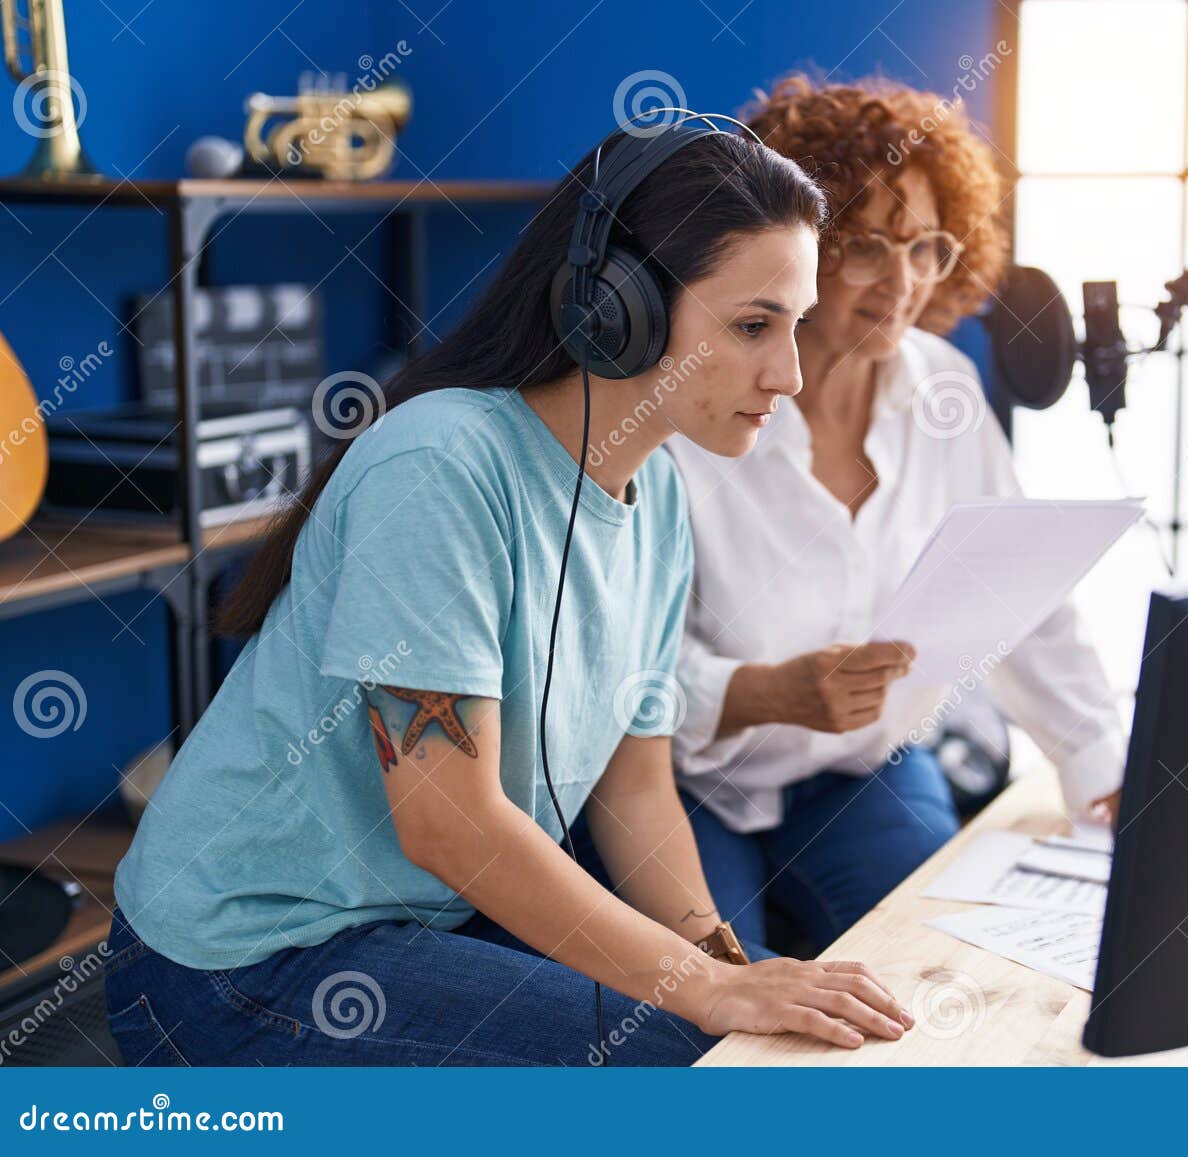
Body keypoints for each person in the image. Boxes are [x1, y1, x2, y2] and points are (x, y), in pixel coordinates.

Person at [104, 118, 915, 1067]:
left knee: (772, 1039)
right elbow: (449, 822)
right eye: (751, 325)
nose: (788, 373)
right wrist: (707, 993)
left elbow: (637, 786)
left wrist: (723, 962)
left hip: (418, 924)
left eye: (795, 325)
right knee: (686, 1059)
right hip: (236, 964)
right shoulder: (441, 465)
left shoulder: (656, 499)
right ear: (621, 305)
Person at [662, 78, 1126, 952]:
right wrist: (766, 692)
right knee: (717, 1014)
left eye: (927, 248)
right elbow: (615, 668)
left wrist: (1098, 765)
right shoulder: (696, 406)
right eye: (867, 247)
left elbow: (1020, 592)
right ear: (795, 247)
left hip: (861, 770)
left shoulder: (942, 386)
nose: (903, 283)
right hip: (693, 780)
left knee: (936, 962)